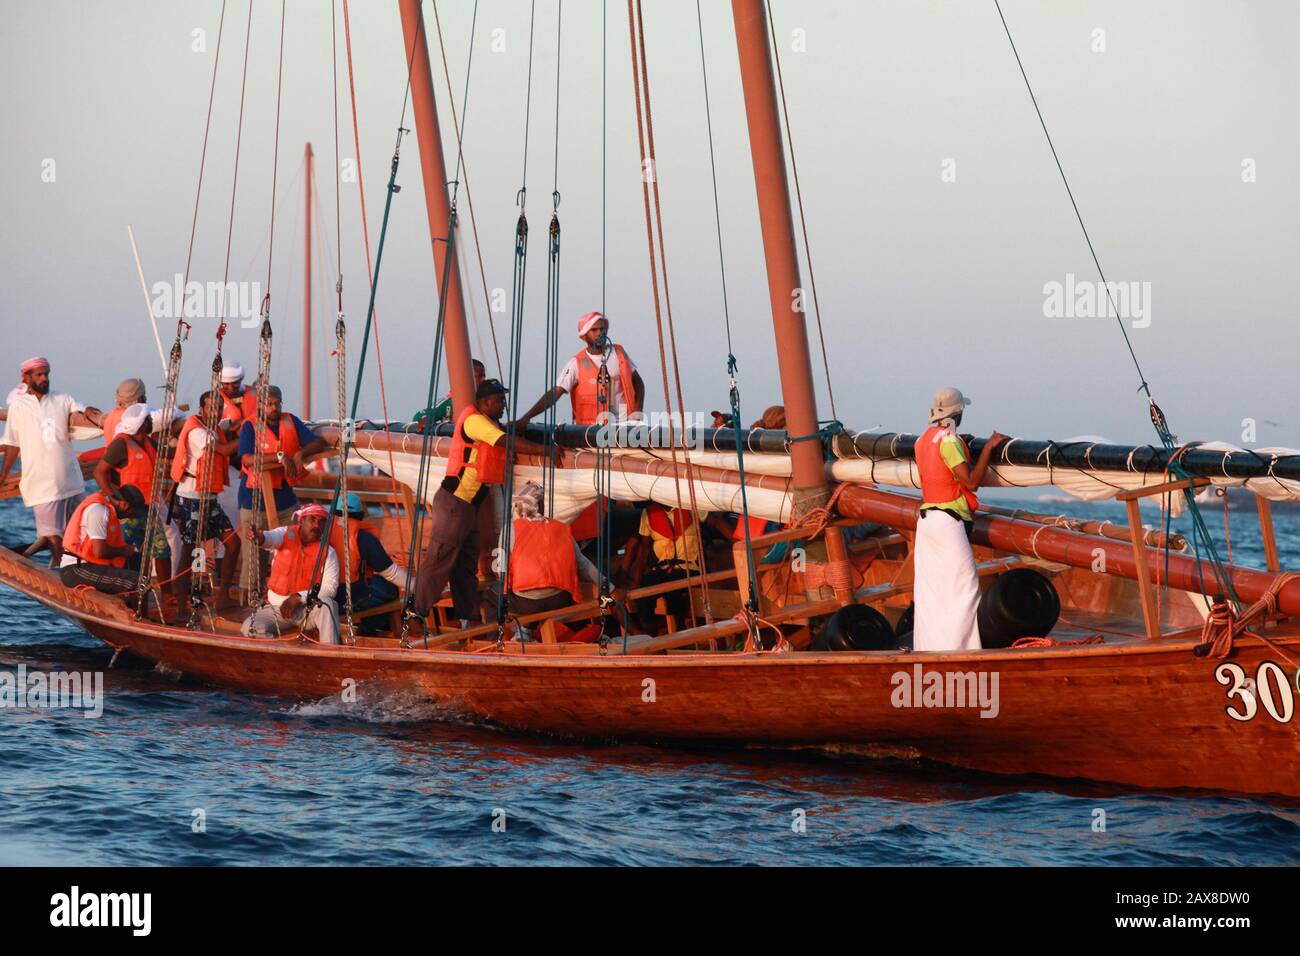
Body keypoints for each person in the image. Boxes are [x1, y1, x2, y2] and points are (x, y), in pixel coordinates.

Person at [412, 378, 553, 627]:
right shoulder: (475, 421)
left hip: (470, 506)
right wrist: (544, 451)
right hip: (455, 502)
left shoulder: (489, 421)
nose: (503, 405)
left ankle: (470, 620)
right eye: (499, 401)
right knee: (439, 560)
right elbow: (504, 441)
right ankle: (415, 616)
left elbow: (506, 433)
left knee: (465, 566)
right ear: (485, 402)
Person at [913, 387, 1007, 652]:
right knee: (964, 588)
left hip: (926, 521)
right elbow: (971, 482)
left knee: (931, 593)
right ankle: (965, 651)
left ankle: (929, 649)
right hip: (947, 522)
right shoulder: (949, 441)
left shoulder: (923, 440)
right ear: (958, 413)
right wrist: (988, 447)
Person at [0, 357, 102, 566]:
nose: (44, 378)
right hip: (40, 484)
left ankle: (85, 572)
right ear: (26, 377)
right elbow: (12, 444)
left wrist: (93, 412)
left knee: (83, 530)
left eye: (46, 374)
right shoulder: (18, 406)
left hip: (70, 480)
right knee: (52, 535)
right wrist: (3, 476)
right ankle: (65, 575)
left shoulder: (62, 398)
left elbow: (84, 411)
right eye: (39, 374)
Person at [236, 386, 327, 595]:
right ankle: (250, 598)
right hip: (254, 498)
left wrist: (299, 455)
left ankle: (291, 591)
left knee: (292, 545)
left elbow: (317, 442)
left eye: (277, 403)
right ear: (260, 406)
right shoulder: (250, 426)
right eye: (268, 404)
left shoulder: (290, 421)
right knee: (254, 552)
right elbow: (247, 459)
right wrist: (279, 456)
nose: (273, 408)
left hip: (285, 499)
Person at [483, 482, 609, 627]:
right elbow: (583, 564)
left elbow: (500, 571)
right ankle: (537, 631)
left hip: (527, 604)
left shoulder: (509, 530)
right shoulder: (561, 527)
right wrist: (608, 586)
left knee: (490, 593)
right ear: (541, 505)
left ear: (518, 506)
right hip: (560, 599)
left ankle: (496, 641)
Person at [95, 403, 184, 604]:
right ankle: (124, 592)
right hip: (127, 509)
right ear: (141, 423)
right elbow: (99, 472)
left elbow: (168, 454)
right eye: (149, 419)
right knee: (128, 552)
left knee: (162, 550)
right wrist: (115, 499)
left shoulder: (147, 443)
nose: (152, 421)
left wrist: (187, 445)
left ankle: (167, 593)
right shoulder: (121, 444)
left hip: (148, 507)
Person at [171, 391, 242, 610]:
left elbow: (227, 428)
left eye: (219, 408)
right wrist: (248, 436)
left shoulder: (214, 428)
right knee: (190, 550)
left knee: (233, 543)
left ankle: (222, 599)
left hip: (209, 498)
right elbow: (221, 450)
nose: (216, 412)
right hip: (191, 498)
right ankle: (182, 606)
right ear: (202, 409)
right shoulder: (197, 431)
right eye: (211, 408)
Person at [518, 311, 645, 426]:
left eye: (602, 329)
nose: (600, 333)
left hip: (625, 425)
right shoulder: (576, 363)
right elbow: (554, 394)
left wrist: (637, 415)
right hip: (592, 432)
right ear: (584, 336)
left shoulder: (619, 353)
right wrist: (526, 417)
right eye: (594, 330)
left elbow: (638, 383)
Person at [241, 503, 340, 644]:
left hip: (307, 610)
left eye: (321, 522)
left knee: (328, 604)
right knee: (249, 628)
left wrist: (299, 597)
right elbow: (269, 538)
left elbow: (330, 589)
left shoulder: (329, 552)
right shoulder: (284, 534)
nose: (317, 525)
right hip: (276, 610)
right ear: (302, 521)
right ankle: (280, 655)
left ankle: (330, 655)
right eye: (312, 519)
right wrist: (259, 537)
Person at [328, 493, 408, 633]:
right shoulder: (364, 538)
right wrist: (415, 586)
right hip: (347, 600)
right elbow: (391, 573)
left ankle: (366, 630)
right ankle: (367, 630)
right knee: (390, 590)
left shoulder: (322, 532)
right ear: (361, 514)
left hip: (324, 600)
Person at [59, 484, 149, 595]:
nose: (131, 516)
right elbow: (99, 552)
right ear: (124, 505)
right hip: (77, 569)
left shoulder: (108, 510)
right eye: (133, 512)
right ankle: (134, 611)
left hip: (92, 565)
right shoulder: (99, 511)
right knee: (137, 581)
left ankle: (129, 601)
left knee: (140, 562)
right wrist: (124, 550)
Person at [413, 359, 486, 431]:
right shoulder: (448, 403)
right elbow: (420, 415)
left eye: (484, 376)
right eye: (479, 376)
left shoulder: (483, 403)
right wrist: (426, 419)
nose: (483, 380)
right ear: (465, 377)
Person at [101, 378, 148, 448]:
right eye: (143, 394)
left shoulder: (110, 416)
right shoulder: (132, 418)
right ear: (139, 398)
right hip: (128, 458)